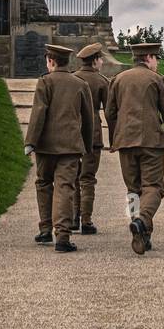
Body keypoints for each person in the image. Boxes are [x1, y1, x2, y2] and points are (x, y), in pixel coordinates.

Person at [107, 42, 164, 255]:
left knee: (133, 190)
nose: (157, 63)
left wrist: (115, 138)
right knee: (155, 187)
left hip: (124, 142)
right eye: (156, 58)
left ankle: (140, 233)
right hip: (151, 142)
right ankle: (142, 220)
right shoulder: (157, 80)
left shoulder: (118, 80)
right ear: (149, 57)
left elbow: (110, 113)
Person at [24, 44, 94, 253]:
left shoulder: (45, 82)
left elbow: (38, 113)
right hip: (71, 147)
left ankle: (45, 229)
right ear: (66, 62)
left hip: (46, 147)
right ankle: (62, 236)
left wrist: (31, 142)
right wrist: (87, 145)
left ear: (51, 61)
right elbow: (88, 119)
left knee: (44, 183)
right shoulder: (80, 84)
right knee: (65, 188)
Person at [70, 43, 110, 234]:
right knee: (87, 178)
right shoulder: (101, 81)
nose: (102, 62)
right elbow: (110, 112)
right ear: (94, 61)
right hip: (92, 135)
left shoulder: (72, 79)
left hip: (72, 136)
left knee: (73, 178)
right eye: (101, 59)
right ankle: (86, 221)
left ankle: (72, 218)